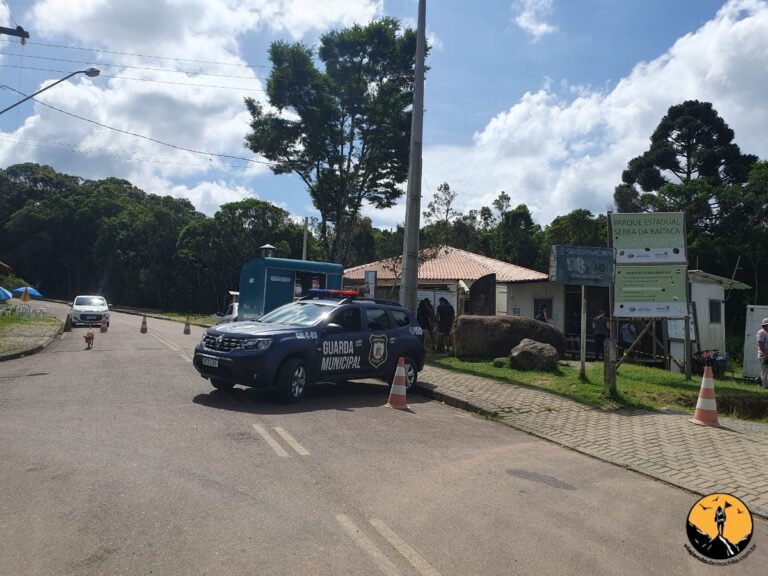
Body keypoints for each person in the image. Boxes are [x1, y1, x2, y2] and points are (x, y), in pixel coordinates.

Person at [757, 318, 768, 389]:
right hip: (763, 355)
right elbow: (760, 343)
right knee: (764, 371)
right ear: (765, 325)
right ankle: (765, 386)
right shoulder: (761, 332)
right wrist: (765, 354)